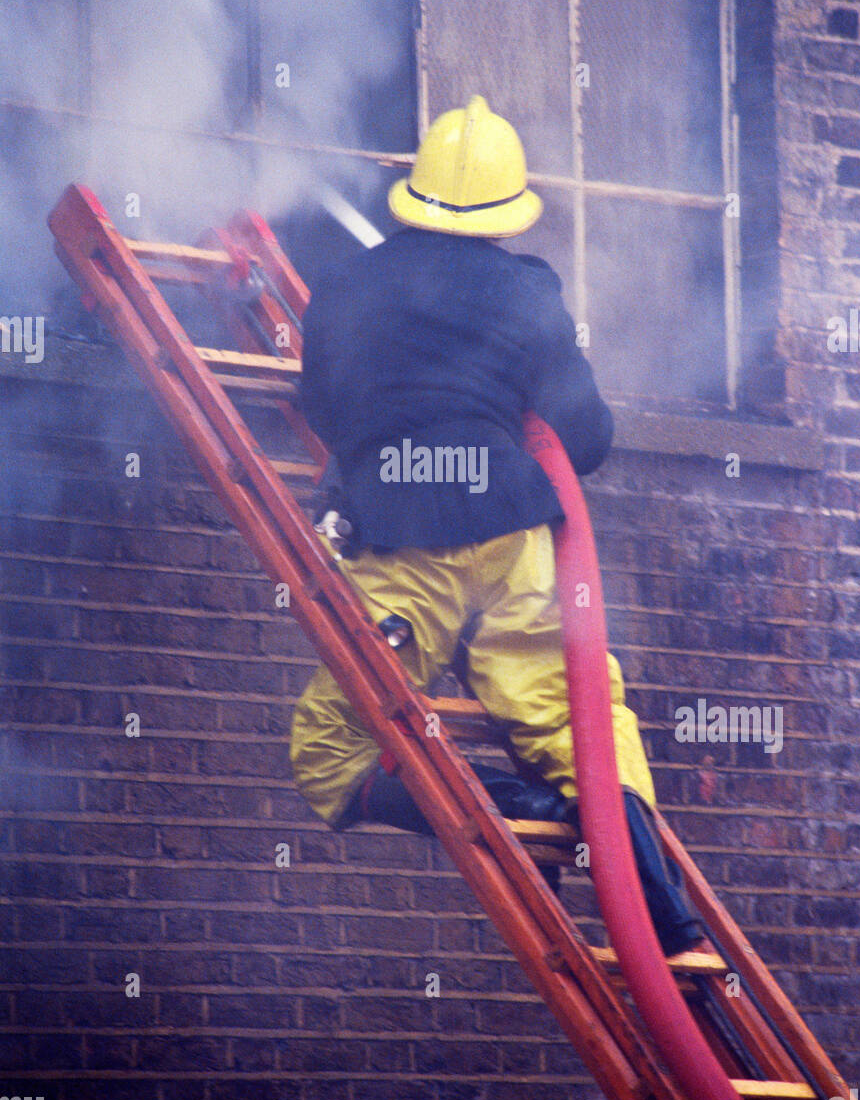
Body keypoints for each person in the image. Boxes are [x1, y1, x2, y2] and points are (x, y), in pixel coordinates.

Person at [289, 95, 702, 957]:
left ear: (418, 190)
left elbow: (321, 404)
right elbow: (586, 436)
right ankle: (662, 904)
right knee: (572, 716)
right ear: (509, 209)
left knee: (329, 748)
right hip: (518, 540)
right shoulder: (529, 290)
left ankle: (512, 809)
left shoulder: (349, 284)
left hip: (403, 541)